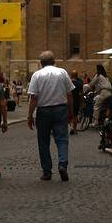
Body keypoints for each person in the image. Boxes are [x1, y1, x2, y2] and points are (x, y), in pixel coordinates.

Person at [26, 51, 74, 181]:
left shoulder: (37, 75)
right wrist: (71, 113)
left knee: (43, 141)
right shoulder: (62, 72)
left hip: (44, 111)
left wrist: (30, 115)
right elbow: (69, 95)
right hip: (61, 109)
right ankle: (63, 164)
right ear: (54, 61)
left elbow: (34, 98)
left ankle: (47, 171)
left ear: (41, 63)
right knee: (62, 139)